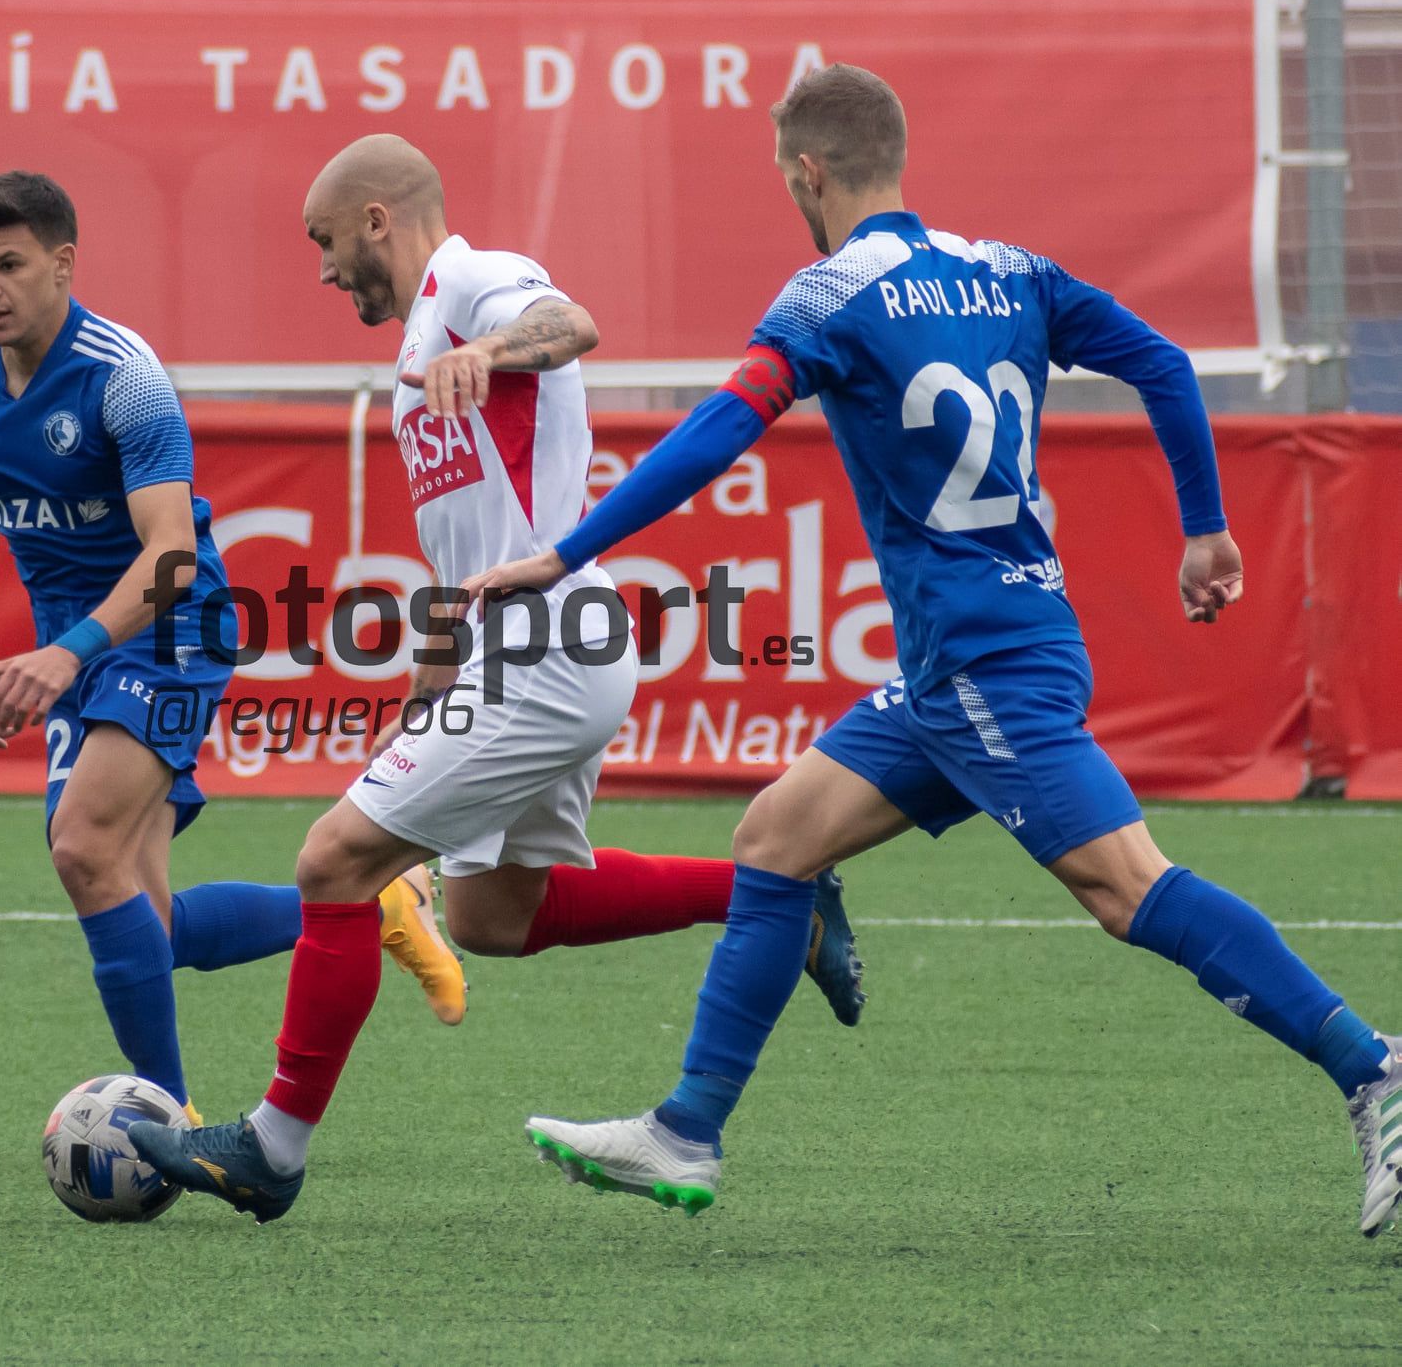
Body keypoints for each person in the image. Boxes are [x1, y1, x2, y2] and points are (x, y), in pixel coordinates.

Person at [458, 65, 1401, 1233]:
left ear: (807, 171)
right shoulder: (1011, 271)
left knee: (1125, 888)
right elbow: (1159, 361)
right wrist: (1202, 530)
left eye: (782, 177)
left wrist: (566, 551)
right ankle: (685, 1131)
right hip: (978, 655)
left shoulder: (825, 296)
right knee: (776, 838)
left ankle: (1371, 1066)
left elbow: (717, 431)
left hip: (981, 666)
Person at [128, 135, 865, 1222]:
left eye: (325, 243)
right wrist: (425, 691)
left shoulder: (469, 281)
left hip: (550, 645)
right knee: (490, 915)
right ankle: (780, 899)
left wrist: (500, 351)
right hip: (517, 648)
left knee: (334, 861)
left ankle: (272, 1149)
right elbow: (461, 555)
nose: (324, 271)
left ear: (378, 218)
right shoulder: (412, 352)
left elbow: (573, 325)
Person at [0, 171, 463, 1125]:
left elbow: (171, 555)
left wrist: (67, 655)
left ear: (62, 263)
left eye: (8, 264)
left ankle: (164, 1120)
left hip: (172, 624)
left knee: (84, 849)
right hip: (73, 641)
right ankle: (381, 902)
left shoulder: (122, 376)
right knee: (148, 920)